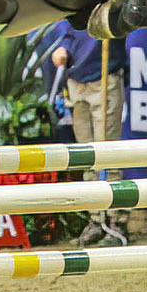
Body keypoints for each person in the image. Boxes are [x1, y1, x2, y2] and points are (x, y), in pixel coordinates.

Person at [51, 24, 129, 247]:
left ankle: (115, 221)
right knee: (87, 156)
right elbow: (67, 30)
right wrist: (63, 48)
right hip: (76, 79)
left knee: (109, 154)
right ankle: (96, 218)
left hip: (104, 77)